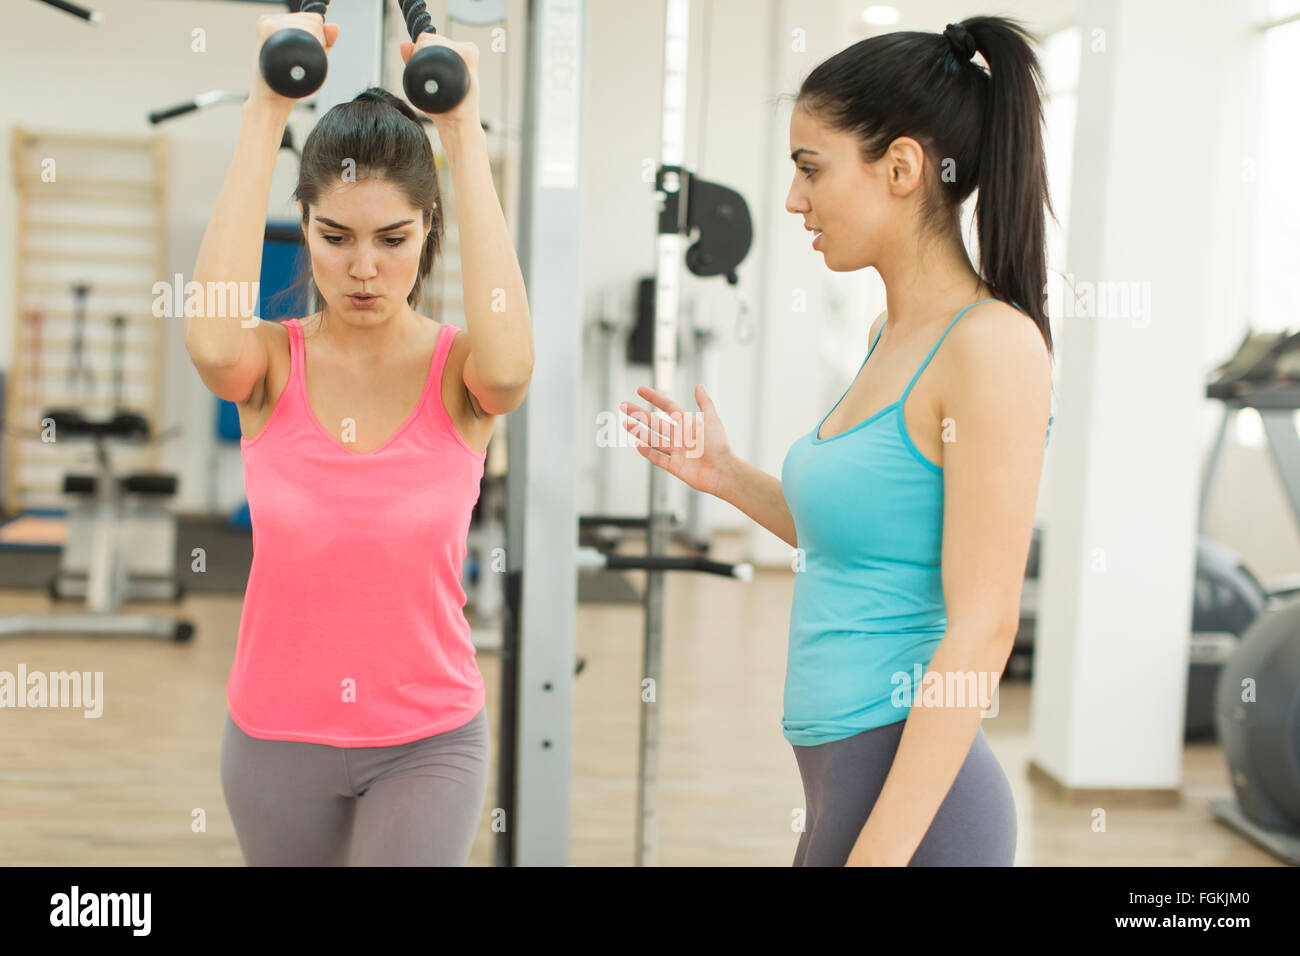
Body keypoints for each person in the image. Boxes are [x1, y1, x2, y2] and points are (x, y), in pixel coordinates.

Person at [621, 16, 1055, 866]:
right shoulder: (888, 336)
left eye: (811, 169)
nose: (793, 200)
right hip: (840, 789)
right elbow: (864, 545)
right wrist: (729, 478)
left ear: (901, 168)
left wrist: (881, 854)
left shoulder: (991, 346)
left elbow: (984, 630)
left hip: (915, 813)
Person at [185, 11, 532, 866]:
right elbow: (209, 343)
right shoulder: (268, 361)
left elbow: (515, 363)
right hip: (275, 734)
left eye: (393, 238)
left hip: (428, 738)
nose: (364, 267)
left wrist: (461, 126)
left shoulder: (465, 374)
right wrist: (267, 108)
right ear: (304, 227)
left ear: (428, 232)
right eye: (335, 237)